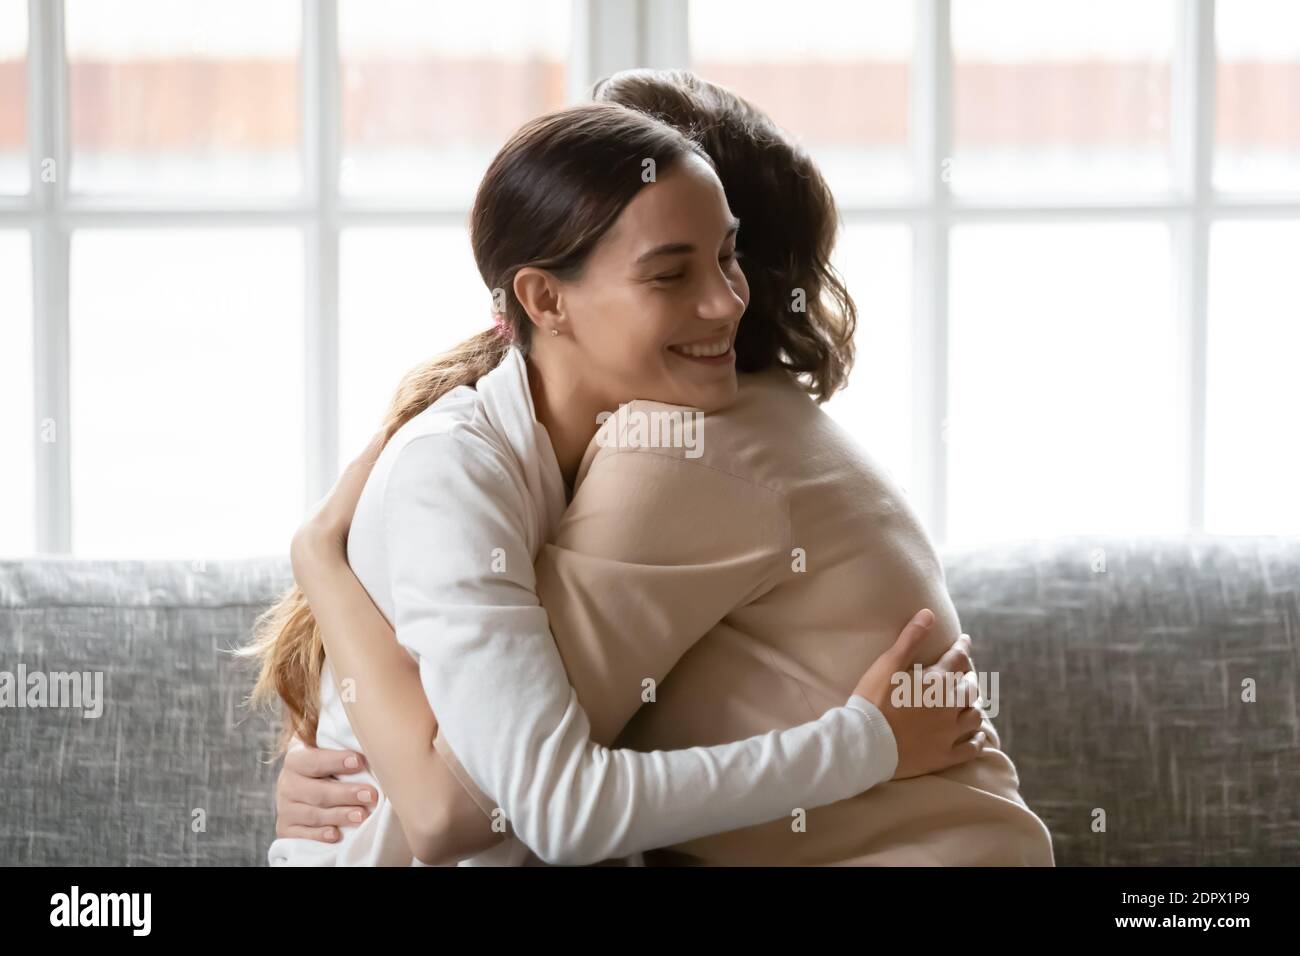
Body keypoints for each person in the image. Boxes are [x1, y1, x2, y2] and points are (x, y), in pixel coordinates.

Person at [246, 99, 987, 867]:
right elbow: (507, 810)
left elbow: (490, 783)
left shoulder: (628, 454)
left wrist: (324, 574)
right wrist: (864, 744)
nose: (726, 301)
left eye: (728, 257)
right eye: (670, 273)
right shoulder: (459, 468)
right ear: (544, 299)